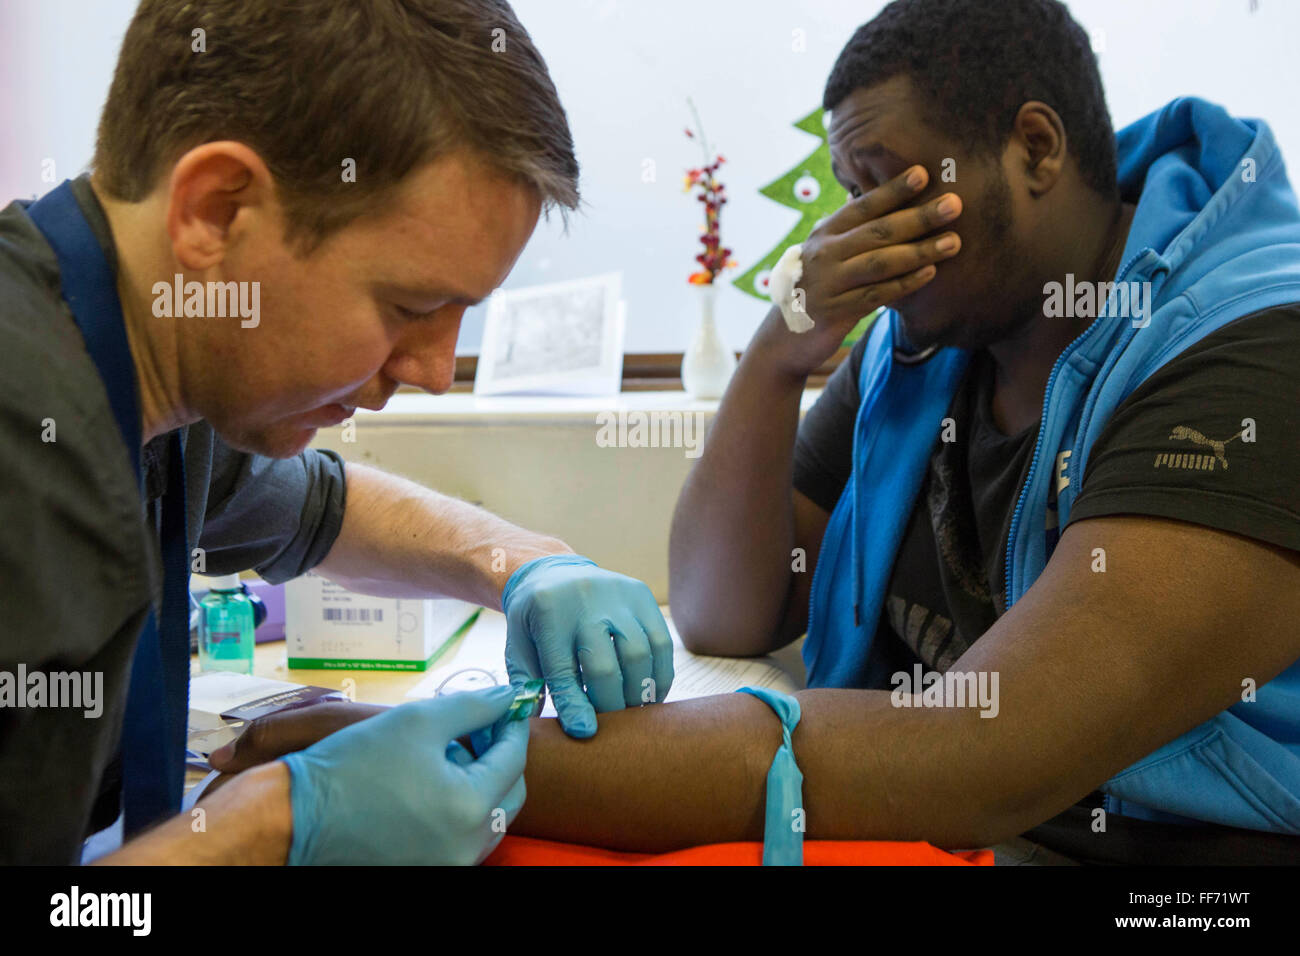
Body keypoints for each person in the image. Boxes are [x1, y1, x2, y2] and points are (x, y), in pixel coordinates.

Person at [222, 0, 1300, 865]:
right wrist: (780, 348)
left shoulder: (1251, 347)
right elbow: (725, 605)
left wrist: (440, 752)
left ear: (1031, 147)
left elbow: (991, 753)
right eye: (844, 192)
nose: (851, 231)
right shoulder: (927, 345)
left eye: (882, 186)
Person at [0, 0, 673, 866]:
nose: (434, 370)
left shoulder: (164, 375)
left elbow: (315, 503)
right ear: (214, 212)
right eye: (412, 307)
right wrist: (269, 825)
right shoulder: (30, 448)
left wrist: (525, 562)